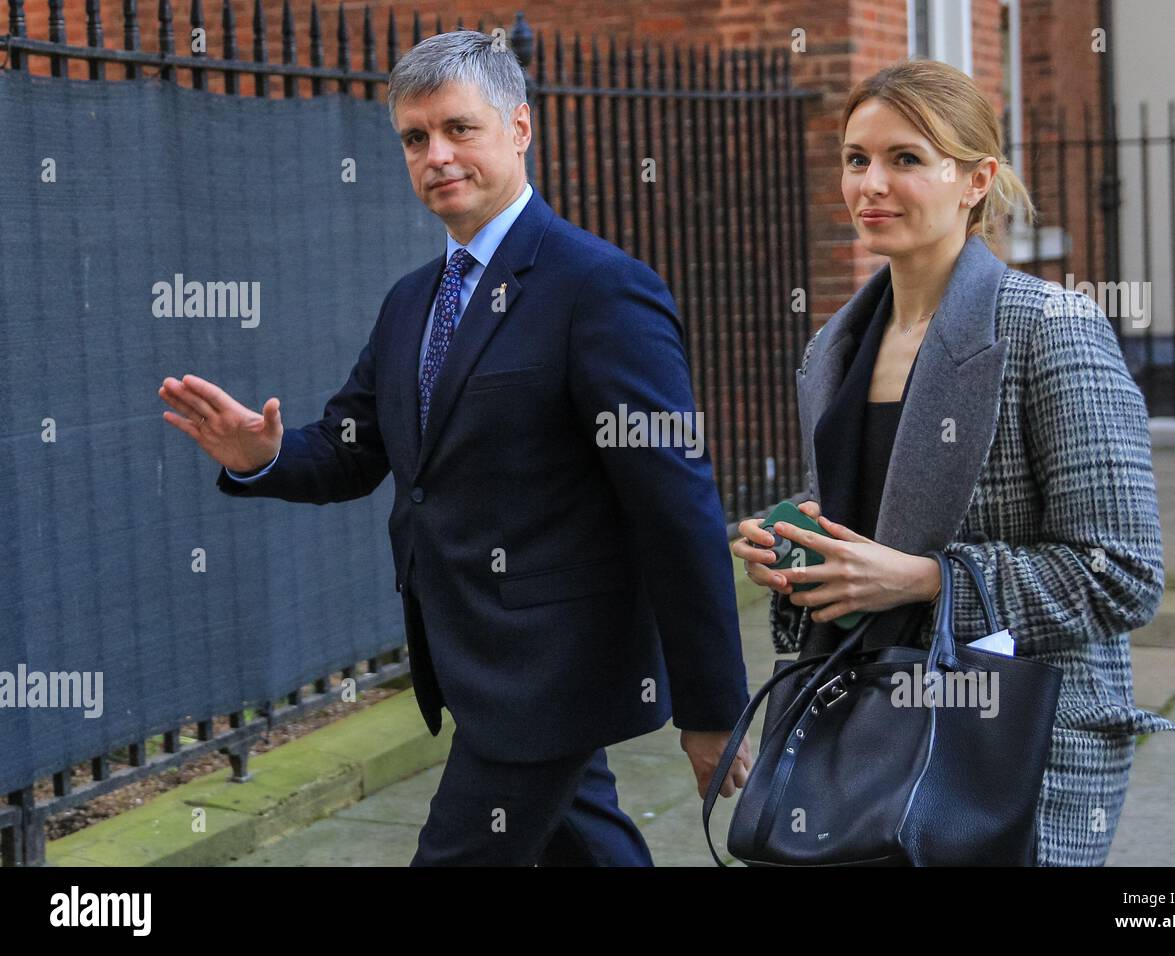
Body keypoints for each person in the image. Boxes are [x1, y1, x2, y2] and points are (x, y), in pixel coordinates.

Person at [158, 30, 752, 866]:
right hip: (471, 656)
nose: (437, 155)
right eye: (415, 137)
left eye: (458, 129)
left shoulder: (601, 288)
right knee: (588, 844)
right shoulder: (413, 302)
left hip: (552, 673)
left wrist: (712, 704)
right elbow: (350, 451)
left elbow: (678, 504)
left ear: (518, 127)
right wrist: (258, 453)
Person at [731, 58, 1175, 866]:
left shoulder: (1051, 328)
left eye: (906, 159)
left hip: (1016, 750)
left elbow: (1123, 571)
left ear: (977, 180)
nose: (872, 183)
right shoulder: (831, 350)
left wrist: (929, 579)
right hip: (861, 732)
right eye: (856, 158)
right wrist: (794, 548)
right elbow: (874, 518)